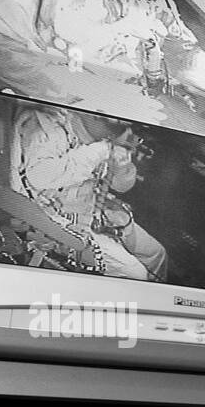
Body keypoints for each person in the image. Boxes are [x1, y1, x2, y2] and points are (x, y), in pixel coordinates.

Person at [11, 105, 167, 280]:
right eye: (116, 123)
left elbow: (120, 187)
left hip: (92, 211)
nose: (123, 129)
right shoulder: (48, 124)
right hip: (52, 219)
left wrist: (122, 166)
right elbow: (40, 176)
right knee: (136, 274)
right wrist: (102, 150)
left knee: (156, 253)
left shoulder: (104, 138)